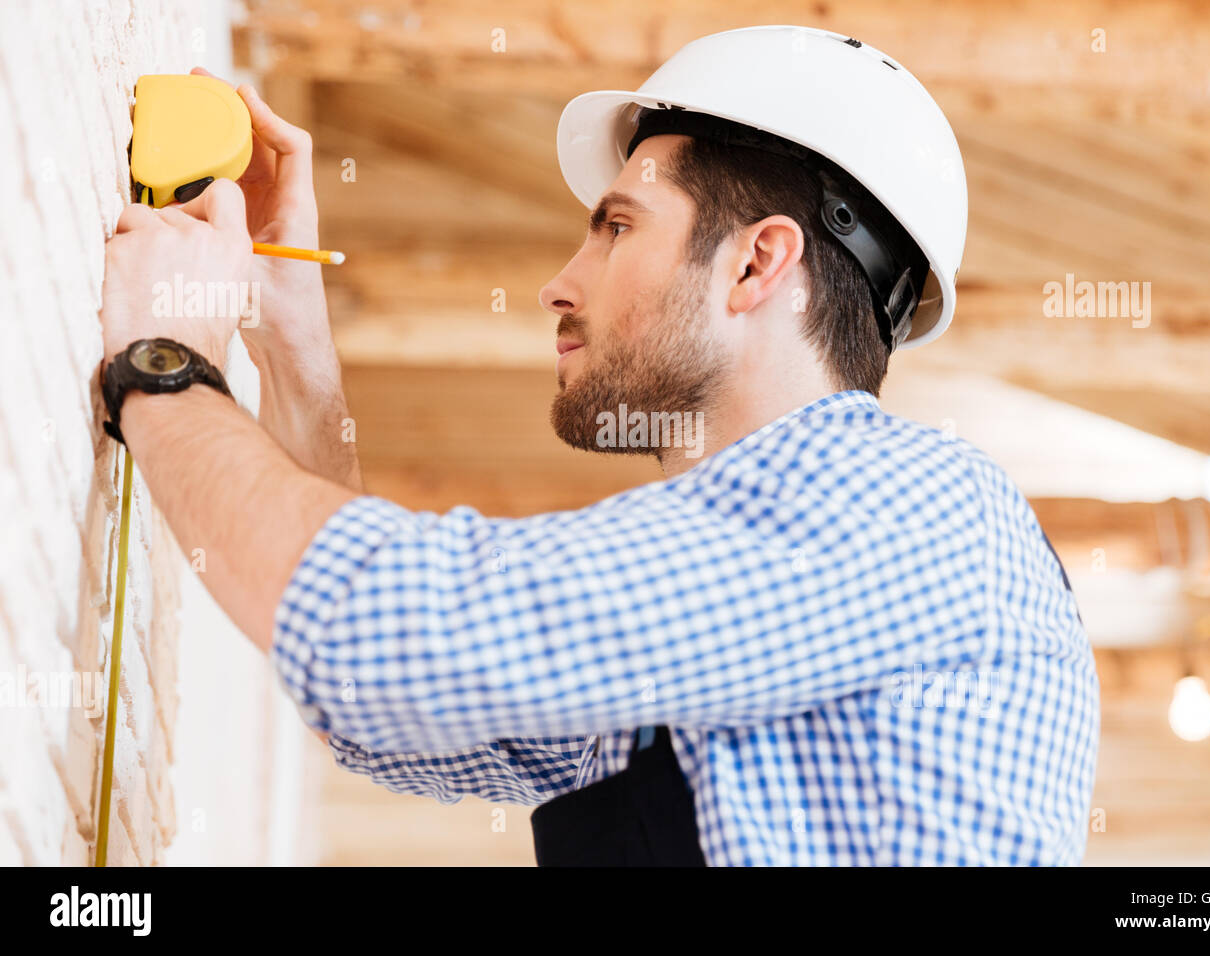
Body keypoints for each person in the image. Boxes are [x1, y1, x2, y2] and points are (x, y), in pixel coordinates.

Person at [98, 26, 1099, 866]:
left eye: (616, 226)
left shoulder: (910, 505)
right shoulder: (747, 607)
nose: (558, 283)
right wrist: (294, 344)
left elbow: (388, 636)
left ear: (756, 262)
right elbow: (377, 708)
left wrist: (164, 365)